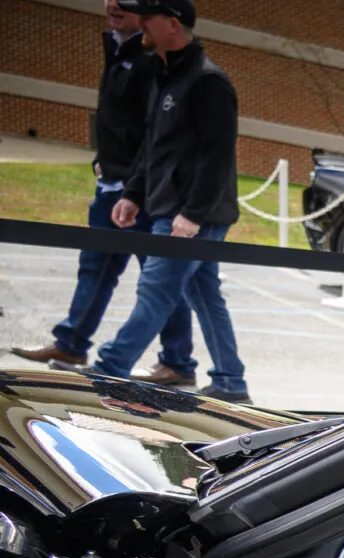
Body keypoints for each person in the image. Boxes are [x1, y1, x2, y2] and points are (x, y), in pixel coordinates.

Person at [65, 0, 248, 401]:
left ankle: (109, 368)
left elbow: (218, 154)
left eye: (147, 18)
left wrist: (192, 214)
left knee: (156, 290)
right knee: (202, 293)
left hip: (192, 213)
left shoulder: (207, 81)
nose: (140, 24)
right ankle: (231, 382)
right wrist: (133, 193)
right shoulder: (168, 75)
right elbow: (154, 146)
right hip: (172, 206)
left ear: (172, 24)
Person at [11, 0, 195, 385]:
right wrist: (103, 158)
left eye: (127, 1)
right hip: (112, 183)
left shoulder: (148, 59)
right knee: (96, 267)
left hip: (140, 191)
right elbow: (116, 119)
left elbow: (154, 130)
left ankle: (177, 363)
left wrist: (135, 184)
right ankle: (71, 343)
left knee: (159, 280)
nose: (114, 5)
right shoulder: (117, 49)